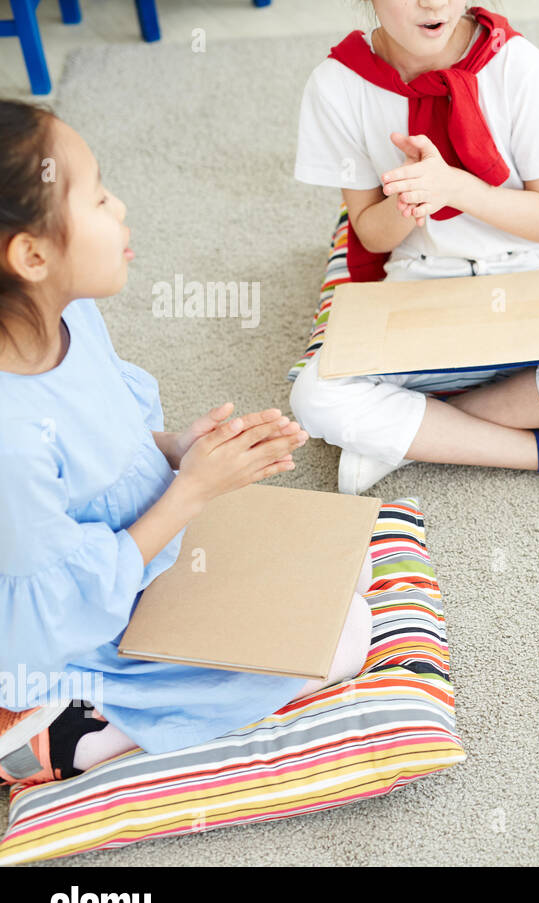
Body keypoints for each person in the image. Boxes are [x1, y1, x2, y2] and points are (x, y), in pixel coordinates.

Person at [0, 102, 372, 786]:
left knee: (348, 575)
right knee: (341, 637)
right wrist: (194, 490)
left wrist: (176, 448)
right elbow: (49, 611)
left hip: (141, 553)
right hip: (73, 628)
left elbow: (102, 438)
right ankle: (78, 733)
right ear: (31, 255)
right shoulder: (10, 441)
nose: (122, 206)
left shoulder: (67, 311)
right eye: (100, 196)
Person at [289, 2, 539, 495]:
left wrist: (455, 188)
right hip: (421, 280)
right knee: (316, 398)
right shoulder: (337, 82)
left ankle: (415, 437)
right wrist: (411, 195)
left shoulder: (516, 63)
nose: (434, 3)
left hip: (528, 272)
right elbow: (370, 236)